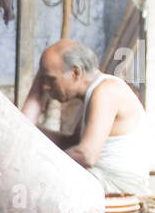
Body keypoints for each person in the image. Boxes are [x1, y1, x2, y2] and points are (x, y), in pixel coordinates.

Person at [21, 39, 151, 196]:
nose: (46, 86)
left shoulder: (106, 91)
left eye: (51, 79)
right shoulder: (95, 92)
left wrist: (41, 163)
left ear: (75, 73)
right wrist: (30, 131)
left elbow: (86, 155)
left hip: (118, 186)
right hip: (103, 179)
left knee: (33, 181)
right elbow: (71, 143)